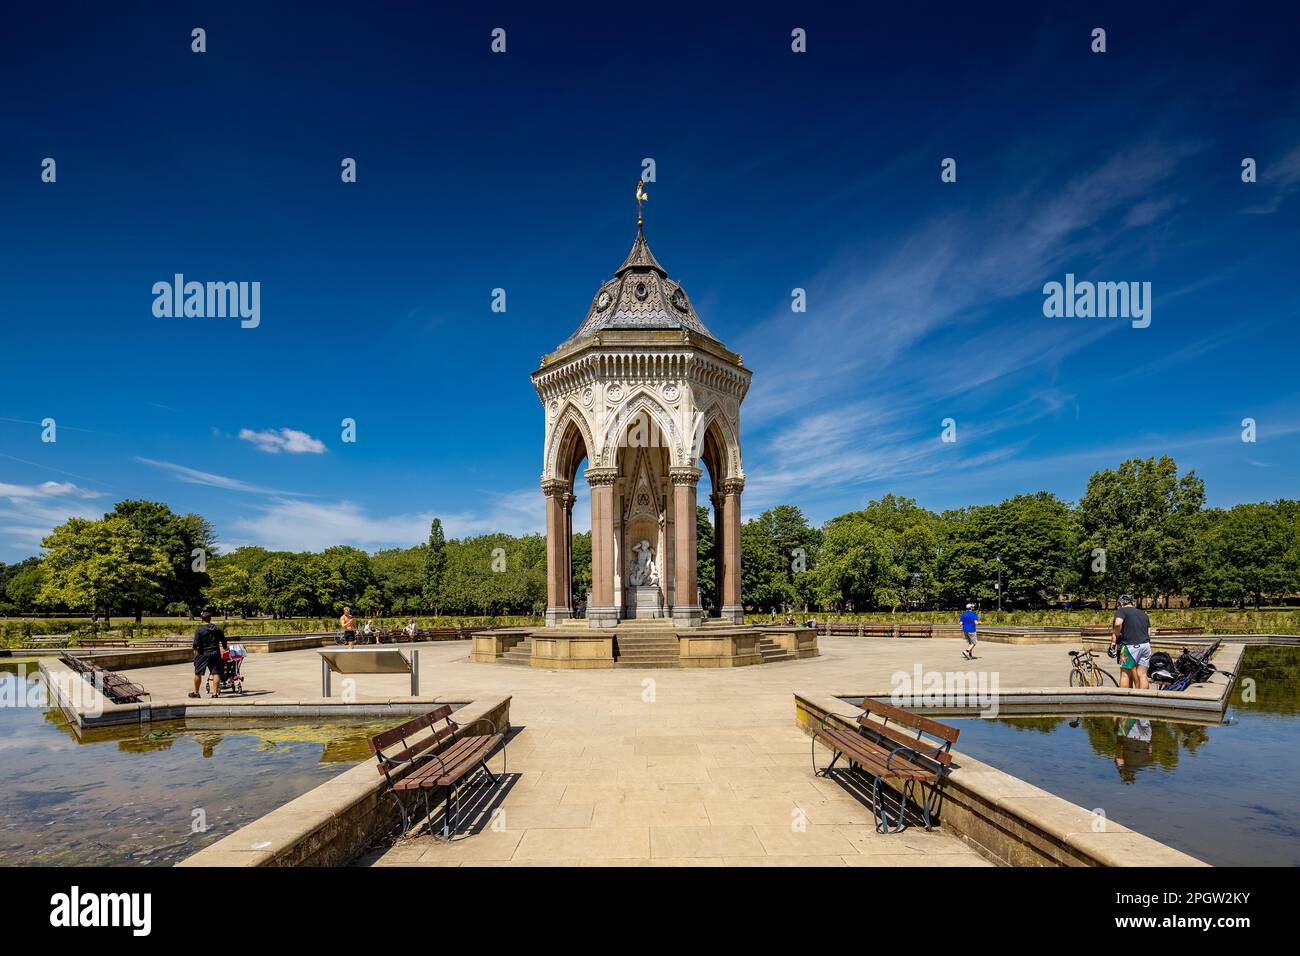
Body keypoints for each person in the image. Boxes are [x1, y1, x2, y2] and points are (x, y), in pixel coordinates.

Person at [1111, 595, 1151, 689]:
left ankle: (1124, 697)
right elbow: (1149, 632)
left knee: (1125, 674)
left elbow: (1118, 624)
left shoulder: (1122, 611)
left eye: (1118, 605)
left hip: (1130, 646)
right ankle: (1144, 696)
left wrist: (1117, 634)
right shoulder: (1143, 613)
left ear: (1121, 603)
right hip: (1146, 646)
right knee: (1143, 674)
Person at [190, 610, 228, 698]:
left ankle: (196, 693)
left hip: (203, 653)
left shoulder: (199, 630)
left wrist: (194, 649)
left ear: (202, 619)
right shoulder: (218, 629)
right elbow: (224, 641)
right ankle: (215, 693)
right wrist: (224, 647)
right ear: (210, 619)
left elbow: (195, 643)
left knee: (198, 673)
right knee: (216, 673)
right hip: (215, 652)